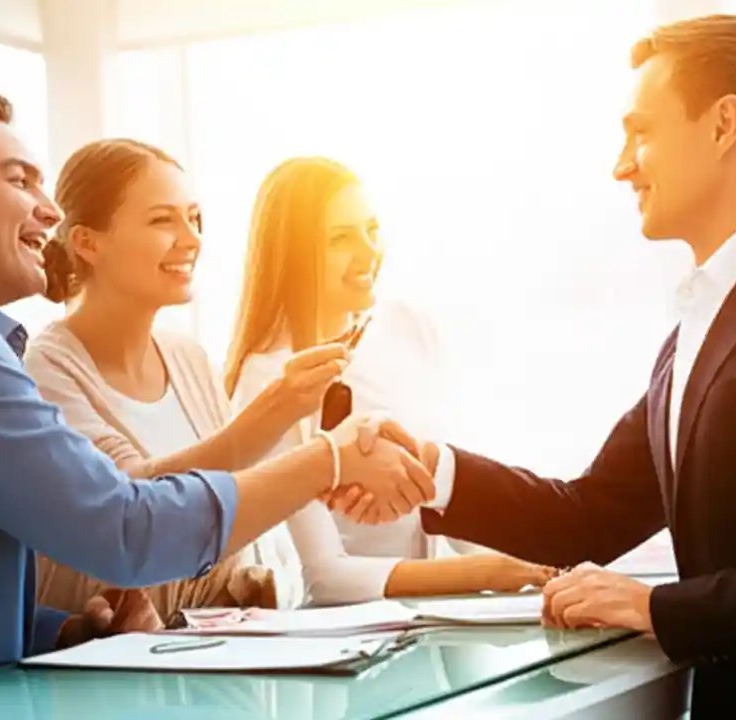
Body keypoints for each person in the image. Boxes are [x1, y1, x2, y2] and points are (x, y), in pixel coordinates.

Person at [352, 15, 736, 717]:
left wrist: (656, 605)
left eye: (642, 132)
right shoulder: (700, 324)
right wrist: (433, 470)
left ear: (723, 126)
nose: (621, 164)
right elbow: (588, 516)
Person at [0, 92, 431, 710]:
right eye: (19, 180)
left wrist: (65, 629)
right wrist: (326, 463)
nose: (48, 209)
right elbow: (125, 530)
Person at [227, 157, 555, 605]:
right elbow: (322, 576)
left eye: (372, 229)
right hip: (348, 635)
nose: (368, 252)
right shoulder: (269, 379)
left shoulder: (409, 327)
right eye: (341, 238)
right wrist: (483, 573)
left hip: (436, 622)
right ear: (293, 254)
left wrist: (528, 569)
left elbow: (452, 498)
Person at [26, 138, 326, 613]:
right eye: (163, 220)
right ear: (86, 242)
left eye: (195, 218)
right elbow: (134, 508)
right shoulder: (47, 371)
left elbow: (243, 524)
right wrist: (280, 412)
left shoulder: (189, 359)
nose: (191, 239)